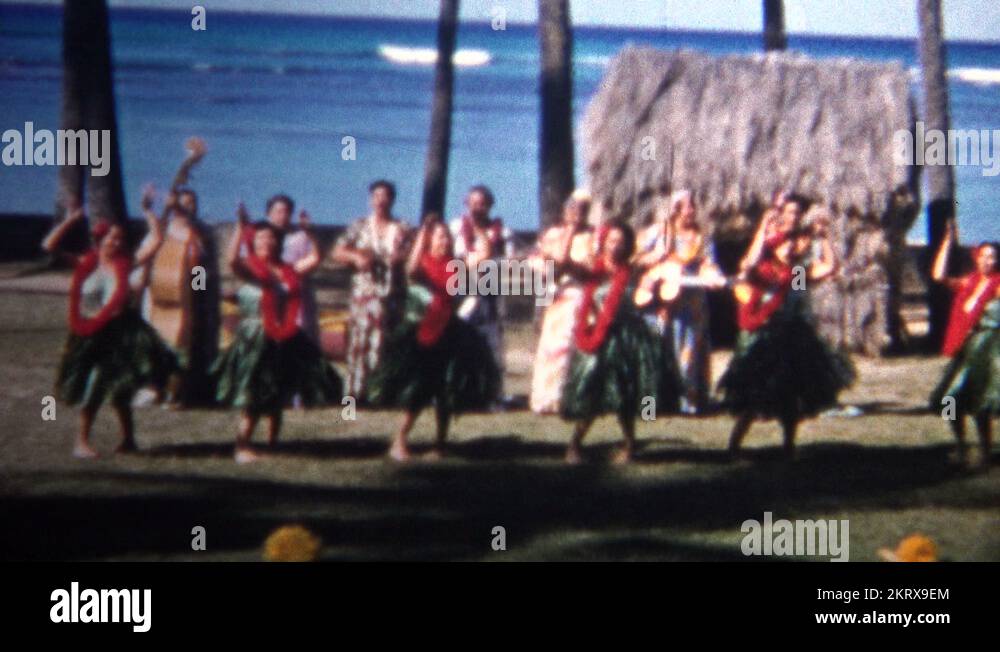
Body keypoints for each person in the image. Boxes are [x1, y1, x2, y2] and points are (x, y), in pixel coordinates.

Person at [719, 194, 855, 458]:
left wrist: (824, 238)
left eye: (793, 245)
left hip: (792, 339)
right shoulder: (764, 270)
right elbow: (747, 265)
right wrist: (762, 230)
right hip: (766, 339)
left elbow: (827, 267)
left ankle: (788, 447)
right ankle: (734, 445)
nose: (790, 248)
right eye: (785, 245)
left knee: (791, 396)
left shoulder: (797, 273)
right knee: (755, 397)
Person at [44, 191, 176, 459]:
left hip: (119, 336)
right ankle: (81, 442)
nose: (115, 242)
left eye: (119, 238)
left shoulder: (125, 265)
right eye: (110, 238)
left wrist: (148, 210)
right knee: (94, 385)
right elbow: (50, 246)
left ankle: (128, 440)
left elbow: (157, 241)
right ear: (99, 239)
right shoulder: (85, 263)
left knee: (121, 387)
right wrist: (70, 220)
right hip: (89, 334)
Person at [367, 216, 500, 462]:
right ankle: (399, 441)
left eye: (447, 236)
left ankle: (440, 445)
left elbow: (485, 253)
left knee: (446, 389)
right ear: (429, 240)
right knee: (419, 390)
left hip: (450, 332)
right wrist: (423, 233)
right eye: (439, 236)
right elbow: (411, 268)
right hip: (423, 333)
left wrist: (480, 230)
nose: (444, 240)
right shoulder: (423, 264)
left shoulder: (456, 264)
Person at [214, 217, 342, 463]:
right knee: (256, 390)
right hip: (257, 337)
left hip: (285, 336)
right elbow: (231, 260)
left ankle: (273, 442)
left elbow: (316, 258)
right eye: (261, 237)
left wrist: (310, 233)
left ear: (279, 242)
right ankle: (242, 445)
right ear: (254, 241)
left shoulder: (288, 270)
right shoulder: (250, 267)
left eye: (272, 237)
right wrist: (240, 231)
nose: (267, 242)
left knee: (279, 387)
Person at [560, 220, 681, 465]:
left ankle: (629, 447)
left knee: (628, 393)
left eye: (622, 242)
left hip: (630, 339)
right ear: (603, 241)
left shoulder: (632, 269)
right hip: (600, 340)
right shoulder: (592, 272)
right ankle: (574, 446)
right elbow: (563, 263)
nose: (616, 246)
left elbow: (663, 253)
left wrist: (668, 222)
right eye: (612, 240)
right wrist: (571, 229)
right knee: (593, 392)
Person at [634, 190, 725, 414]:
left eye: (693, 206)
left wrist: (714, 275)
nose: (691, 211)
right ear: (675, 210)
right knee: (660, 348)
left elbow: (709, 263)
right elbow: (634, 258)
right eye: (686, 206)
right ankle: (656, 403)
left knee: (690, 349)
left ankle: (688, 401)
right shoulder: (659, 233)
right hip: (662, 300)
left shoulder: (701, 237)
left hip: (691, 303)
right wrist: (656, 257)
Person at [143, 137, 220, 405]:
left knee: (194, 340)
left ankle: (189, 388)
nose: (189, 209)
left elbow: (202, 268)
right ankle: (157, 386)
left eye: (192, 205)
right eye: (184, 205)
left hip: (194, 292)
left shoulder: (202, 231)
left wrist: (198, 293)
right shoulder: (165, 229)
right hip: (164, 295)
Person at [332, 180, 411, 400]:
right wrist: (355, 257)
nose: (381, 200)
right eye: (376, 196)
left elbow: (412, 254)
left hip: (392, 293)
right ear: (370, 199)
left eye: (385, 196)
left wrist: (400, 257)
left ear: (392, 200)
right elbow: (337, 251)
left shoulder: (403, 227)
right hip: (364, 292)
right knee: (360, 341)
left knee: (387, 341)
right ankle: (356, 391)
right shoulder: (359, 225)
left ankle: (382, 391)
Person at [929, 219, 999, 467]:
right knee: (950, 400)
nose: (987, 261)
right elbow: (939, 275)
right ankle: (960, 445)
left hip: (986, 352)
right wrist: (947, 242)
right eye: (983, 256)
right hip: (964, 350)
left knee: (980, 404)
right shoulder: (969, 282)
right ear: (977, 258)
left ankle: (984, 450)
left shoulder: (998, 284)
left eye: (992, 257)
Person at [529, 189, 597, 414]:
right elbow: (544, 265)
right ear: (564, 210)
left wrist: (571, 265)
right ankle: (548, 398)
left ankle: (575, 397)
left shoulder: (594, 237)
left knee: (576, 347)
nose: (577, 213)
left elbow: (593, 268)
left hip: (582, 296)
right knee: (553, 348)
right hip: (557, 297)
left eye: (582, 209)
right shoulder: (552, 235)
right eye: (572, 208)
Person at [449, 185, 515, 405]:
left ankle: (491, 394)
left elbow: (510, 262)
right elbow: (448, 258)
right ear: (466, 204)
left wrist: (488, 262)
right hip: (461, 291)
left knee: (491, 343)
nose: (478, 207)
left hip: (490, 292)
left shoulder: (503, 232)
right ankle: (460, 391)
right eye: (473, 202)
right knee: (460, 340)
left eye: (482, 203)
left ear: (490, 205)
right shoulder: (455, 228)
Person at [239, 194, 320, 341]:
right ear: (268, 213)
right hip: (196, 282)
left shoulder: (300, 235)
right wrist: (198, 288)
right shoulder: (256, 234)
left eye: (287, 212)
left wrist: (309, 231)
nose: (283, 216)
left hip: (294, 294)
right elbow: (201, 267)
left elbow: (314, 258)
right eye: (278, 212)